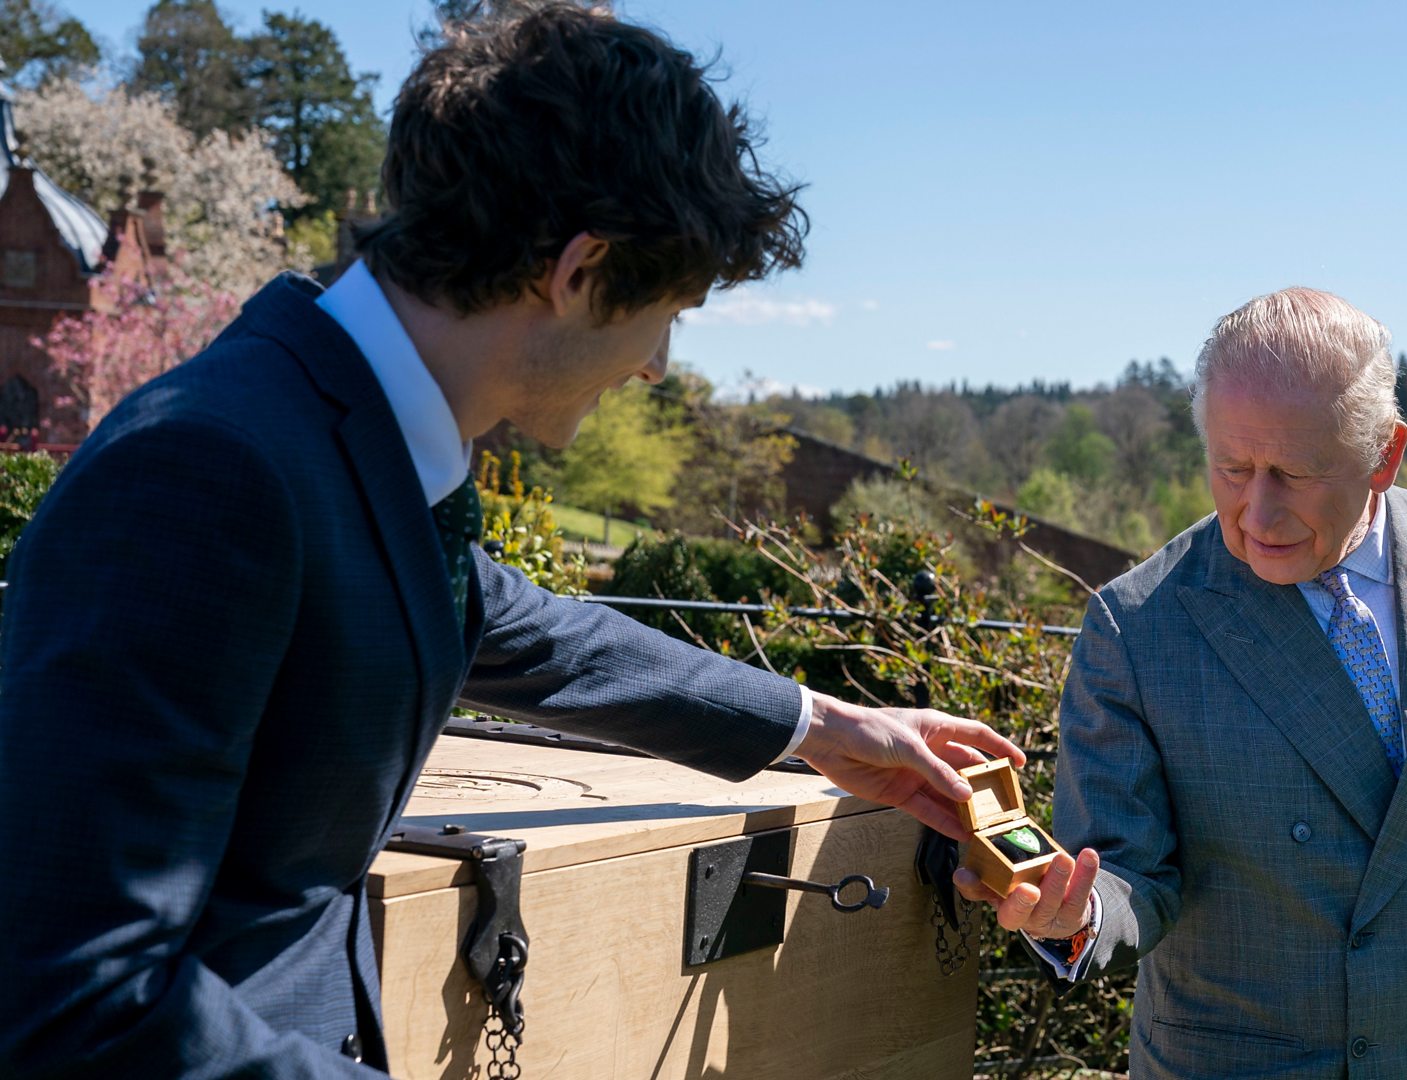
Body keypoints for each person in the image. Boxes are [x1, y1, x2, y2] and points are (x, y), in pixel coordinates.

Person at [0, 8, 1022, 1076]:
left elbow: (521, 628)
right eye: (665, 314)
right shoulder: (205, 471)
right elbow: (77, 1000)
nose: (657, 365)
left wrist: (828, 725)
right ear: (581, 273)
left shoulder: (352, 435)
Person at [957, 288, 1407, 1077]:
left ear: (1384, 453)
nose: (1257, 510)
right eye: (1233, 468)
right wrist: (1073, 912)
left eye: (1294, 473)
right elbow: (1123, 874)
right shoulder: (1138, 627)